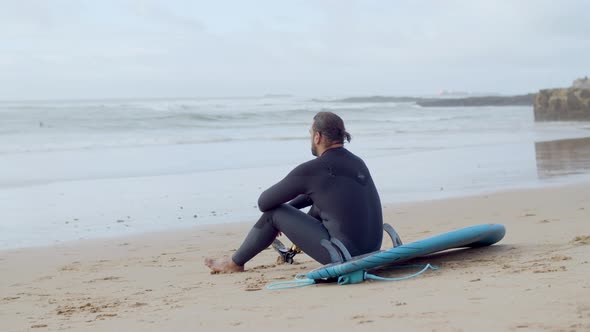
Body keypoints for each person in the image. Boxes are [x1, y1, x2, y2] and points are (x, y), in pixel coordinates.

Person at [204, 111, 383, 273]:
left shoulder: (312, 170)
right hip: (373, 251)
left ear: (318, 137)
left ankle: (234, 263)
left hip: (343, 255)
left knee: (274, 213)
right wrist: (291, 215)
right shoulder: (358, 163)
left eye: (310, 133)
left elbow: (264, 202)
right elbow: (320, 193)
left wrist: (283, 218)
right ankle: (287, 252)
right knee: (319, 206)